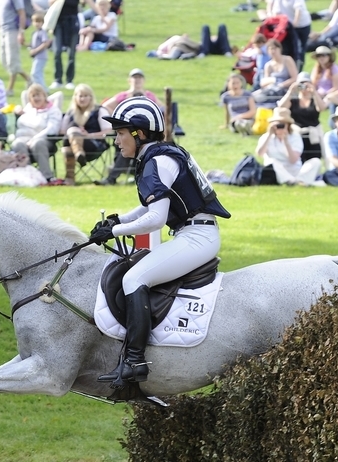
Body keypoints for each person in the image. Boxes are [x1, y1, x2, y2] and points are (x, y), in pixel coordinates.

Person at [88, 96, 231, 389]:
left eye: (121, 133)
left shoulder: (156, 161)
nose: (117, 141)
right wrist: (118, 220)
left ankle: (134, 362)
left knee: (134, 279)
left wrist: (115, 232)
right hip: (195, 233)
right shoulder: (159, 155)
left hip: (197, 237)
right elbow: (151, 207)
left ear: (139, 134)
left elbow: (156, 218)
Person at [10, 83, 61, 182]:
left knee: (38, 143)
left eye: (38, 95)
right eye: (33, 96)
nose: (36, 98)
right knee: (17, 144)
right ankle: (27, 176)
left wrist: (34, 138)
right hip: (24, 139)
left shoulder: (53, 110)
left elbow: (52, 129)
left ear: (44, 96)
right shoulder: (28, 109)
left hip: (45, 140)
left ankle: (46, 177)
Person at [60, 83, 108, 184]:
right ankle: (78, 154)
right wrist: (76, 132)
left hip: (93, 145)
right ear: (75, 97)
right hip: (71, 143)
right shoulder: (70, 113)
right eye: (80, 96)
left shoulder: (99, 110)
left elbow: (109, 130)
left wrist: (89, 135)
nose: (82, 99)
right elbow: (62, 131)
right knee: (72, 130)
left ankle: (69, 178)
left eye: (85, 96)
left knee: (67, 146)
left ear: (91, 97)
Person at [256, 107, 319, 185]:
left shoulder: (295, 136)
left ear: (288, 125)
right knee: (272, 162)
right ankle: (294, 181)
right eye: (278, 124)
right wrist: (269, 134)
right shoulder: (266, 137)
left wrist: (286, 142)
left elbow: (293, 160)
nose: (279, 127)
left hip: (294, 169)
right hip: (277, 171)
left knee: (316, 161)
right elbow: (259, 154)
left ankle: (297, 180)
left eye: (282, 125)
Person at [278, 72, 325, 162]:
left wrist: (314, 92)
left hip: (313, 135)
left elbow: (321, 108)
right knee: (300, 159)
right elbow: (281, 107)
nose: (304, 87)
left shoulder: (314, 100)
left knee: (314, 160)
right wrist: (290, 91)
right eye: (301, 84)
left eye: (306, 84)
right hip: (297, 134)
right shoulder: (293, 100)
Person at [0, 0, 28, 96]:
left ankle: (10, 89)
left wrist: (21, 32)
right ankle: (29, 79)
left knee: (12, 61)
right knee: (3, 60)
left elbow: (22, 13)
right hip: (2, 31)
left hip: (12, 31)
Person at [252, 40, 297, 105]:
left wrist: (282, 85)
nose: (273, 51)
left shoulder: (287, 60)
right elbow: (264, 83)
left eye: (274, 48)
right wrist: (273, 81)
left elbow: (294, 78)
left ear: (280, 49)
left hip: (287, 90)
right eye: (270, 49)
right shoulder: (268, 65)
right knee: (252, 97)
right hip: (271, 90)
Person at [50, 0, 79, 90]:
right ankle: (57, 80)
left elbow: (90, 3)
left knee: (71, 54)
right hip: (59, 22)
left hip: (72, 22)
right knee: (57, 51)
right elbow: (50, 3)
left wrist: (103, 16)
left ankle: (69, 80)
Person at [28, 12, 50, 89]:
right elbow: (33, 44)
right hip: (36, 57)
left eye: (39, 22)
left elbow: (45, 43)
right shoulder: (35, 33)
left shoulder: (42, 32)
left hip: (41, 56)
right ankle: (37, 88)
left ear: (42, 23)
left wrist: (35, 51)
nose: (37, 24)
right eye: (35, 21)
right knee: (37, 73)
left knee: (35, 73)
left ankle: (43, 89)